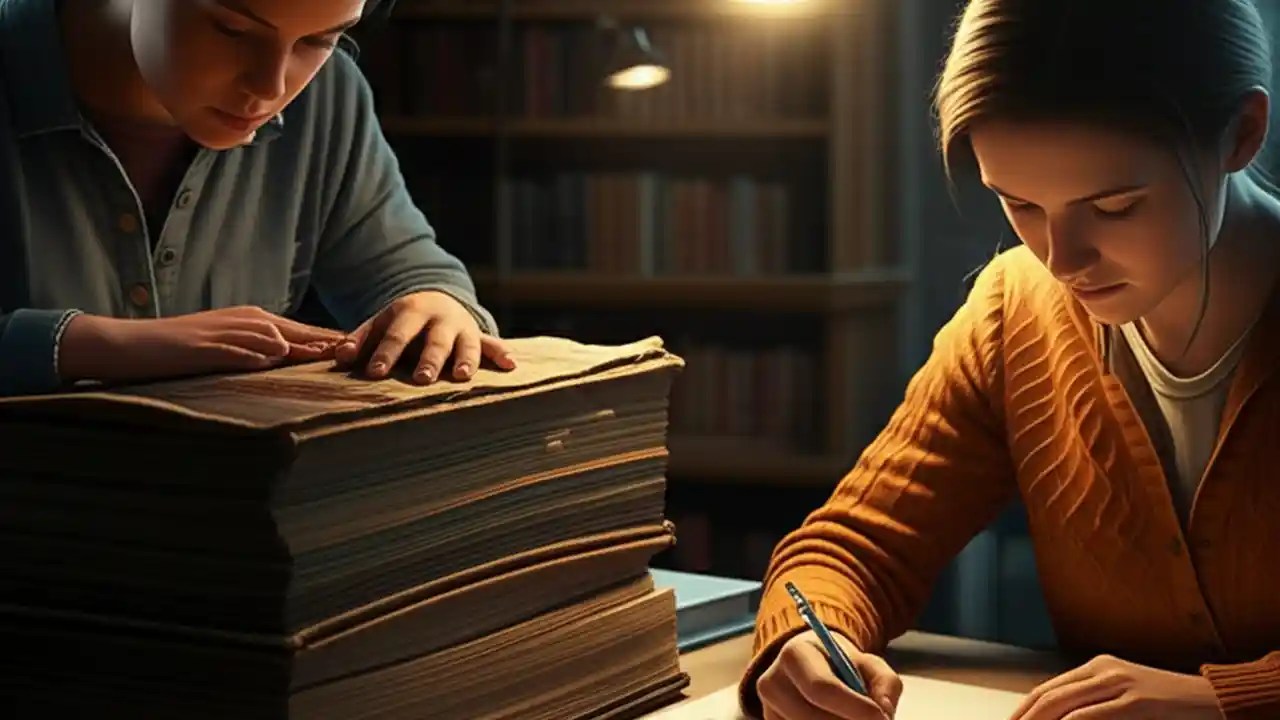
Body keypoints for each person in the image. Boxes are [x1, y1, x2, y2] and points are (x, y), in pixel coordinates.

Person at [743, 0, 1280, 718]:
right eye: (1019, 204)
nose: (1061, 259)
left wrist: (1228, 701)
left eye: (1114, 206)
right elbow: (853, 547)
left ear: (1242, 133)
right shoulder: (1015, 312)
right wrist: (809, 645)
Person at [0, 0, 515, 397]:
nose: (271, 86)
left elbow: (406, 272)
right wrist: (89, 346)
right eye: (232, 28)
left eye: (319, 39)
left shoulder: (327, 99)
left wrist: (435, 304)